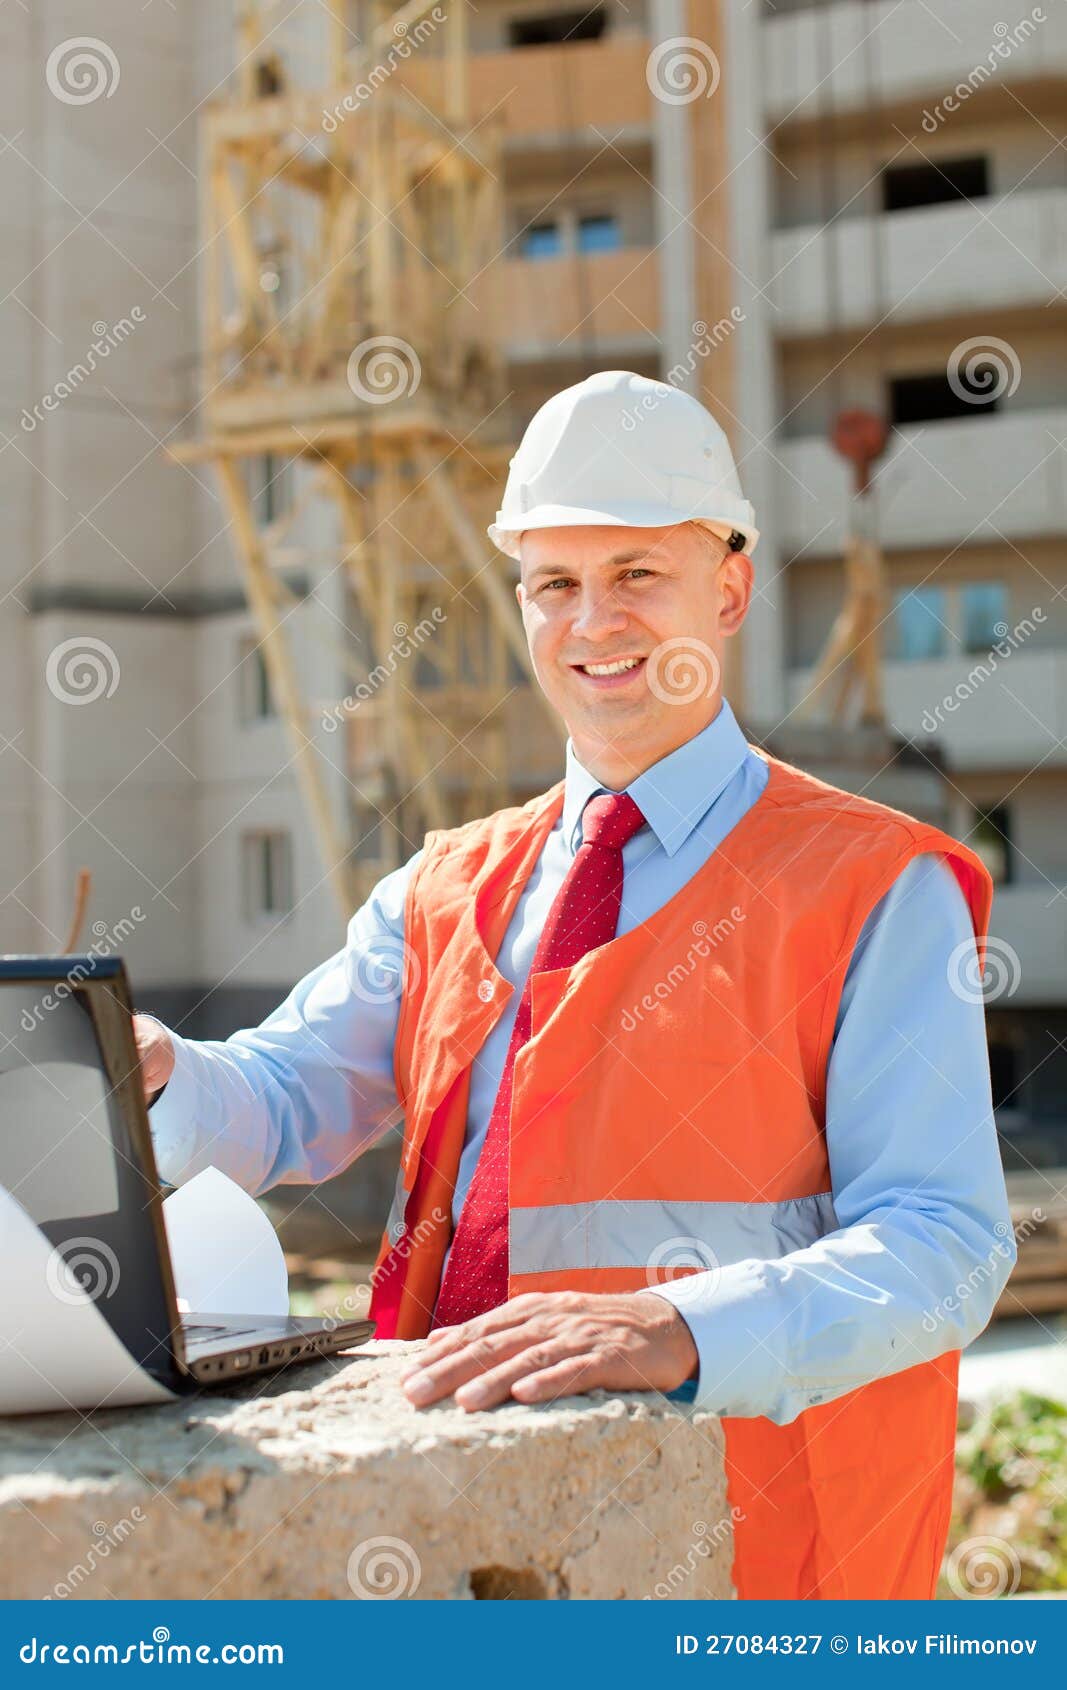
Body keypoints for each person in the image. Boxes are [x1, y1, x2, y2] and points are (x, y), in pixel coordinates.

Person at [135, 370, 1015, 1599]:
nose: (592, 623)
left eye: (635, 575)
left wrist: (679, 1329)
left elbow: (945, 1243)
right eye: (555, 584)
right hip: (470, 1540)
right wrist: (162, 1075)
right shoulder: (448, 885)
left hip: (753, 1557)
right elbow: (283, 1101)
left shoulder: (868, 884)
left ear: (729, 587)